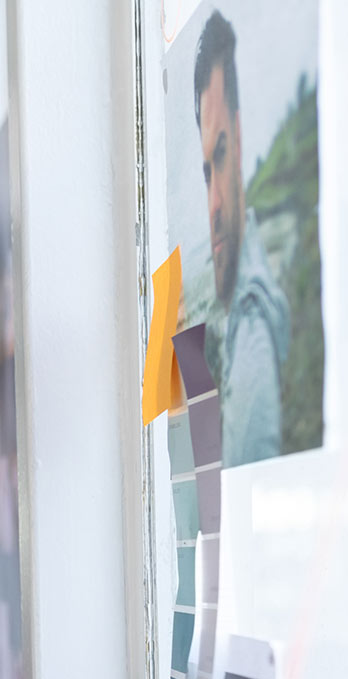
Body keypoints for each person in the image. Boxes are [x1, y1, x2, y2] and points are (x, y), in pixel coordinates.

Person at [195, 9, 289, 467]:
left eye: (222, 154)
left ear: (242, 135)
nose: (213, 202)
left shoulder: (251, 331)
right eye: (204, 171)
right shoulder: (233, 315)